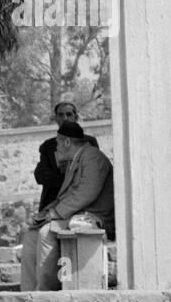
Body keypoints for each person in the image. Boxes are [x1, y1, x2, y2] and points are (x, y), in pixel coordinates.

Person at [23, 120, 115, 292]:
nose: (55, 148)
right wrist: (43, 214)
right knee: (31, 234)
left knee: (46, 232)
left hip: (95, 216)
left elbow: (86, 193)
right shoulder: (77, 159)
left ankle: (44, 292)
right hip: (74, 214)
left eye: (58, 143)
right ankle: (27, 292)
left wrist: (54, 214)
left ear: (67, 142)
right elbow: (64, 196)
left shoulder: (93, 157)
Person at [33, 100, 98, 210]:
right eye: (61, 115)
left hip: (83, 202)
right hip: (55, 201)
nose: (65, 118)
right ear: (56, 119)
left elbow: (95, 172)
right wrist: (65, 180)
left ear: (75, 117)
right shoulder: (48, 146)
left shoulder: (89, 142)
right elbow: (40, 174)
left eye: (69, 114)